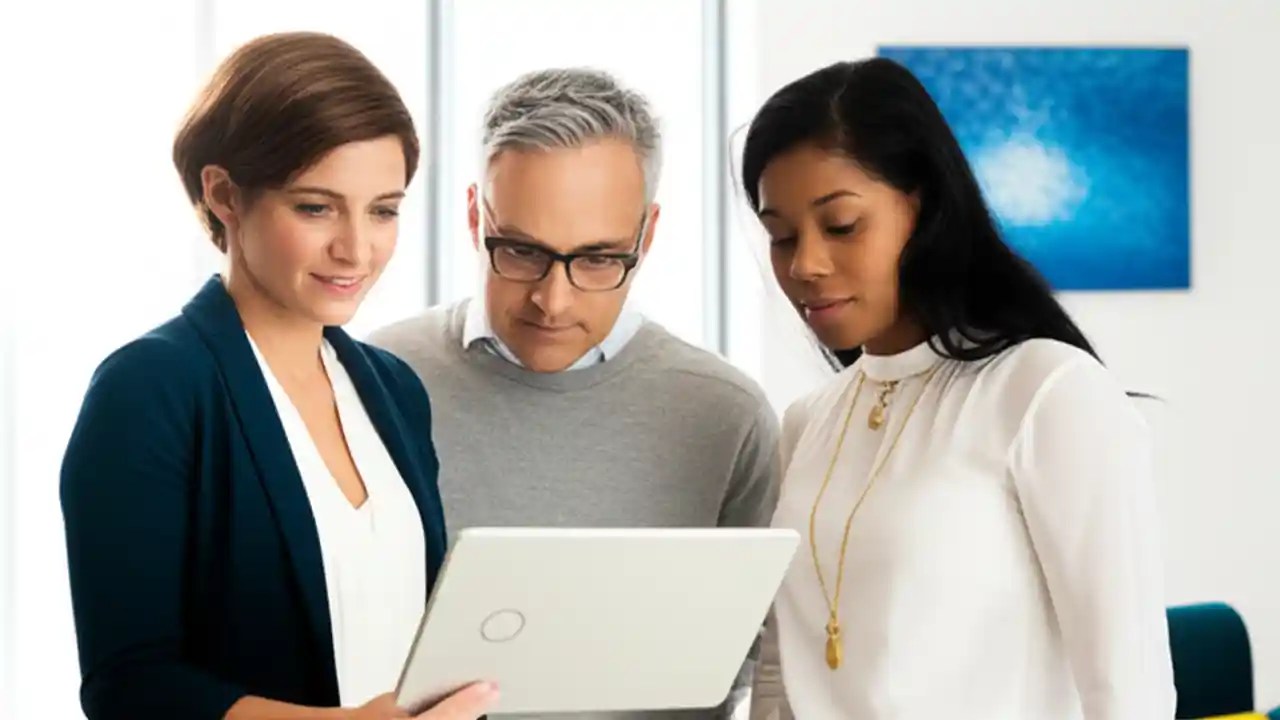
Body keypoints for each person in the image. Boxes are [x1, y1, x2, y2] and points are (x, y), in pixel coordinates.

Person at [59, 32, 496, 720]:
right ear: (224, 194)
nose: (357, 247)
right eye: (316, 207)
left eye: (383, 209)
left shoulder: (394, 391)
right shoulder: (149, 391)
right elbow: (129, 684)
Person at [739, 58, 1176, 719]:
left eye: (841, 226)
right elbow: (780, 674)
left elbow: (1128, 690)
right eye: (780, 236)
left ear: (924, 206)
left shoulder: (1045, 393)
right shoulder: (806, 423)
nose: (805, 264)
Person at [369, 68, 779, 719]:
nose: (552, 302)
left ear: (646, 237)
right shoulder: (375, 382)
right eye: (522, 251)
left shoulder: (726, 415)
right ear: (476, 218)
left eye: (597, 258)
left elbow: (756, 657)